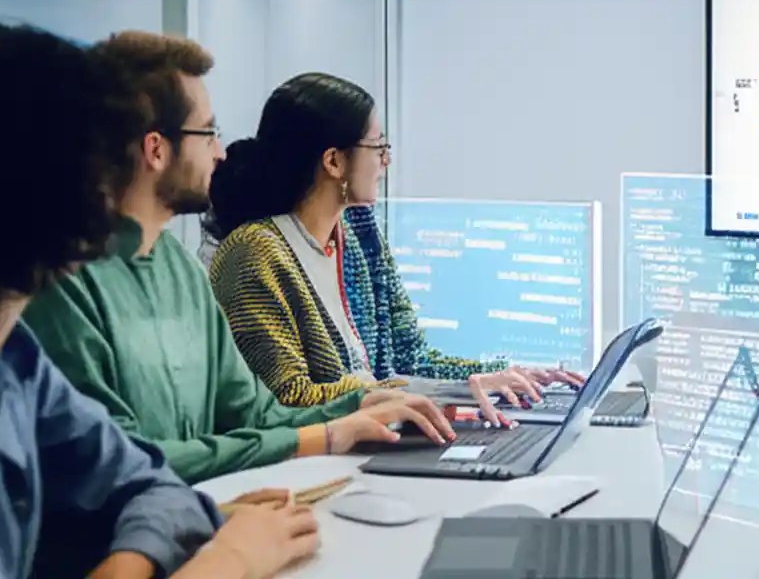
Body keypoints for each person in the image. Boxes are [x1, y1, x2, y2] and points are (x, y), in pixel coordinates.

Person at [0, 18, 317, 579]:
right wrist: (230, 562)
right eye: (106, 159)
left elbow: (153, 486)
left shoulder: (13, 356)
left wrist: (129, 566)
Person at [22, 32, 455, 487]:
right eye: (208, 133)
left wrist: (358, 407)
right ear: (156, 150)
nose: (221, 152)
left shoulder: (179, 268)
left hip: (199, 516)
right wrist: (322, 436)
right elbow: (125, 462)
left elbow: (253, 412)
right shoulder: (63, 281)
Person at [206, 72, 584, 423]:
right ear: (334, 161)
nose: (385, 162)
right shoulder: (253, 254)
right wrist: (446, 394)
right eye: (378, 147)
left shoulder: (357, 236)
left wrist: (500, 377)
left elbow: (409, 357)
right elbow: (289, 399)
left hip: (372, 442)